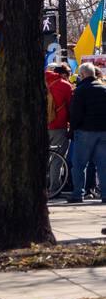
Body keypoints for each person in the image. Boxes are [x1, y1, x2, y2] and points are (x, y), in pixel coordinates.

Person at [68, 62, 106, 204]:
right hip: (103, 131)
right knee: (103, 164)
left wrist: (73, 128)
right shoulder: (104, 88)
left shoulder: (80, 90)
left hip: (85, 131)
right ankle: (105, 194)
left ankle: (78, 194)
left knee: (78, 164)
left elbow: (76, 113)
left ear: (83, 74)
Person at [46, 62, 74, 155]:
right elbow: (71, 107)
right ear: (63, 74)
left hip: (38, 125)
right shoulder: (65, 85)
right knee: (57, 157)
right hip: (59, 125)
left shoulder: (35, 81)